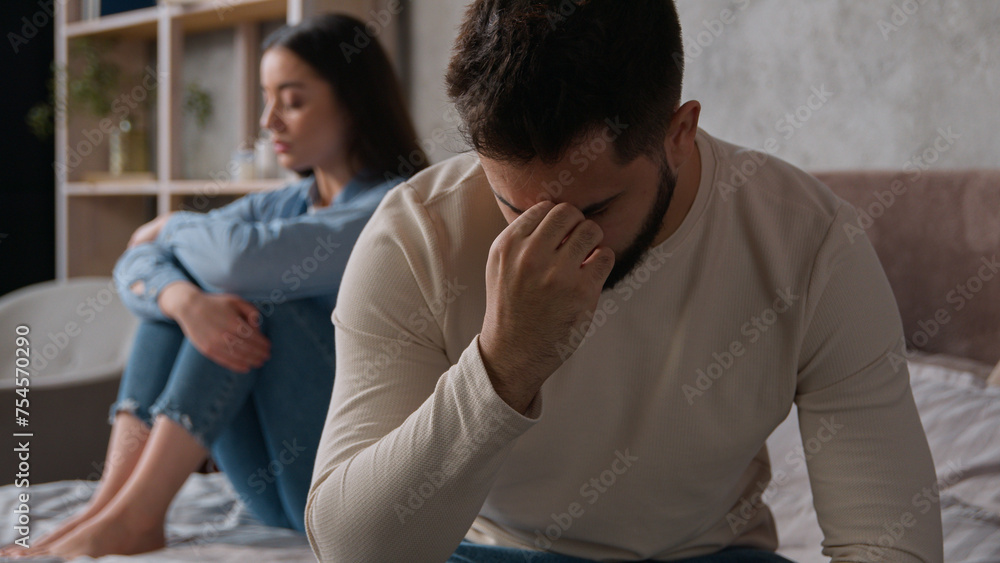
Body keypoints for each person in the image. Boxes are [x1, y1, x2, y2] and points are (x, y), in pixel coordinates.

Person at [304, 1, 943, 562]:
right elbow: (352, 552)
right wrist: (503, 369)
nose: (551, 247)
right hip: (489, 551)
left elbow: (888, 540)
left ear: (679, 135)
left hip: (709, 555)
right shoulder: (415, 237)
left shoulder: (810, 241)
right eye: (513, 209)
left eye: (593, 211)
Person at [3, 13, 424, 560]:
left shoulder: (396, 206)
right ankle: (111, 508)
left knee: (250, 300)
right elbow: (137, 261)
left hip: (339, 490)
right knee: (181, 301)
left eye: (292, 101)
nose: (269, 120)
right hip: (268, 489)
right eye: (266, 99)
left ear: (354, 101)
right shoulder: (282, 204)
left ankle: (133, 516)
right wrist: (182, 301)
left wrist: (173, 225)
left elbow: (236, 261)